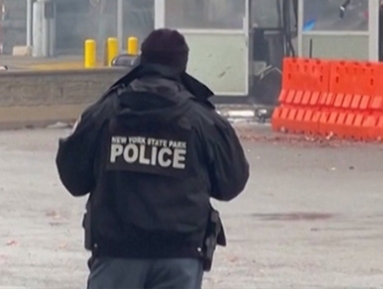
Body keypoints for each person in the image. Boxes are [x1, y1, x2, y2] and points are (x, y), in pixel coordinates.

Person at [56, 28, 251, 289]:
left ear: (142, 60)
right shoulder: (202, 119)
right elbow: (231, 183)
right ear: (182, 63)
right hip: (180, 256)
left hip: (116, 254)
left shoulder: (105, 112)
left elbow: (73, 178)